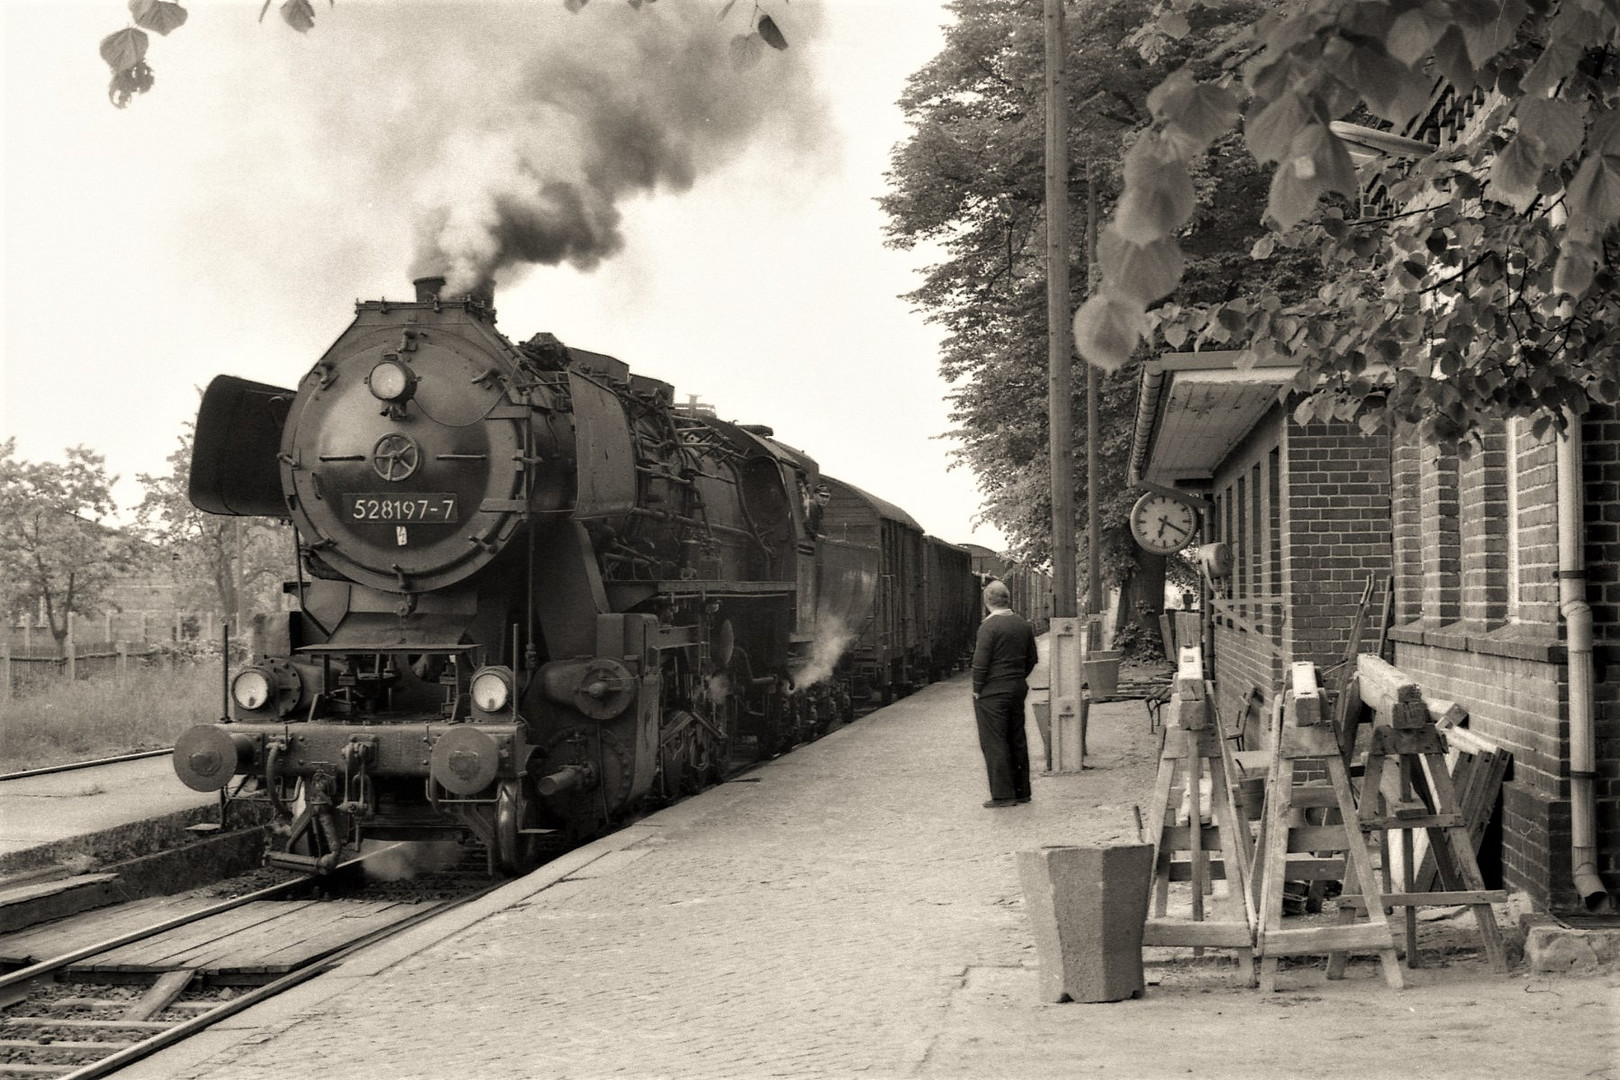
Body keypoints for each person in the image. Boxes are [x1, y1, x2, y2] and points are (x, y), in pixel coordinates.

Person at [971, 579, 1039, 808]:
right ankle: (1022, 792)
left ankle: (1002, 795)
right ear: (1007, 600)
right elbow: (1032, 659)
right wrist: (1017, 677)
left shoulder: (988, 627)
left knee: (995, 741)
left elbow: (980, 663)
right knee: (1016, 737)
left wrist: (977, 689)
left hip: (993, 692)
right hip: (1017, 688)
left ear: (987, 601)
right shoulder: (1022, 624)